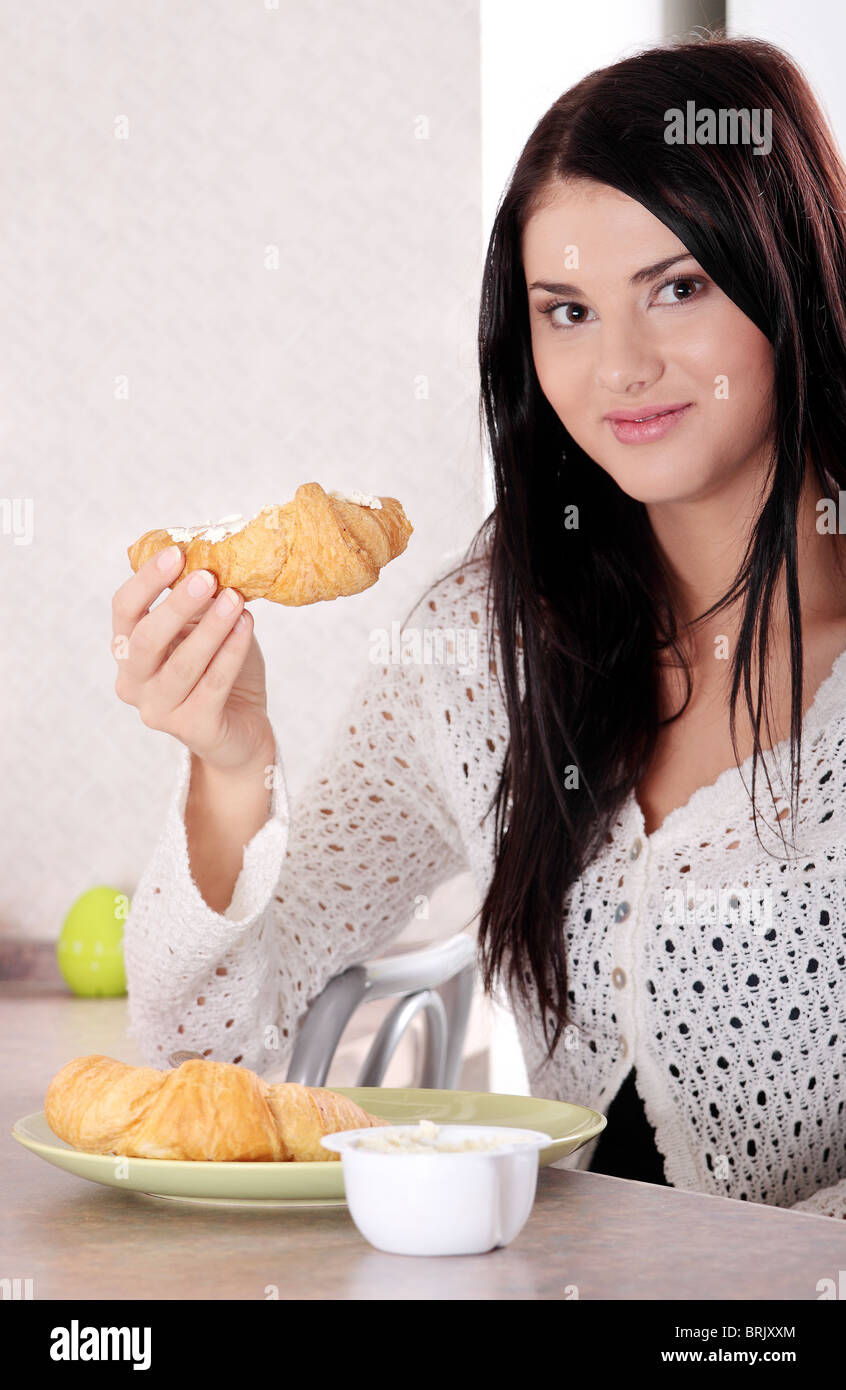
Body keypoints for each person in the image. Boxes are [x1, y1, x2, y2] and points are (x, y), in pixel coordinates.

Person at [114, 32, 846, 1217]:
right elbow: (211, 1041)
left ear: (794, 276)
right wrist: (230, 766)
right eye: (567, 309)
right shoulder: (485, 645)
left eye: (678, 288)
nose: (621, 366)